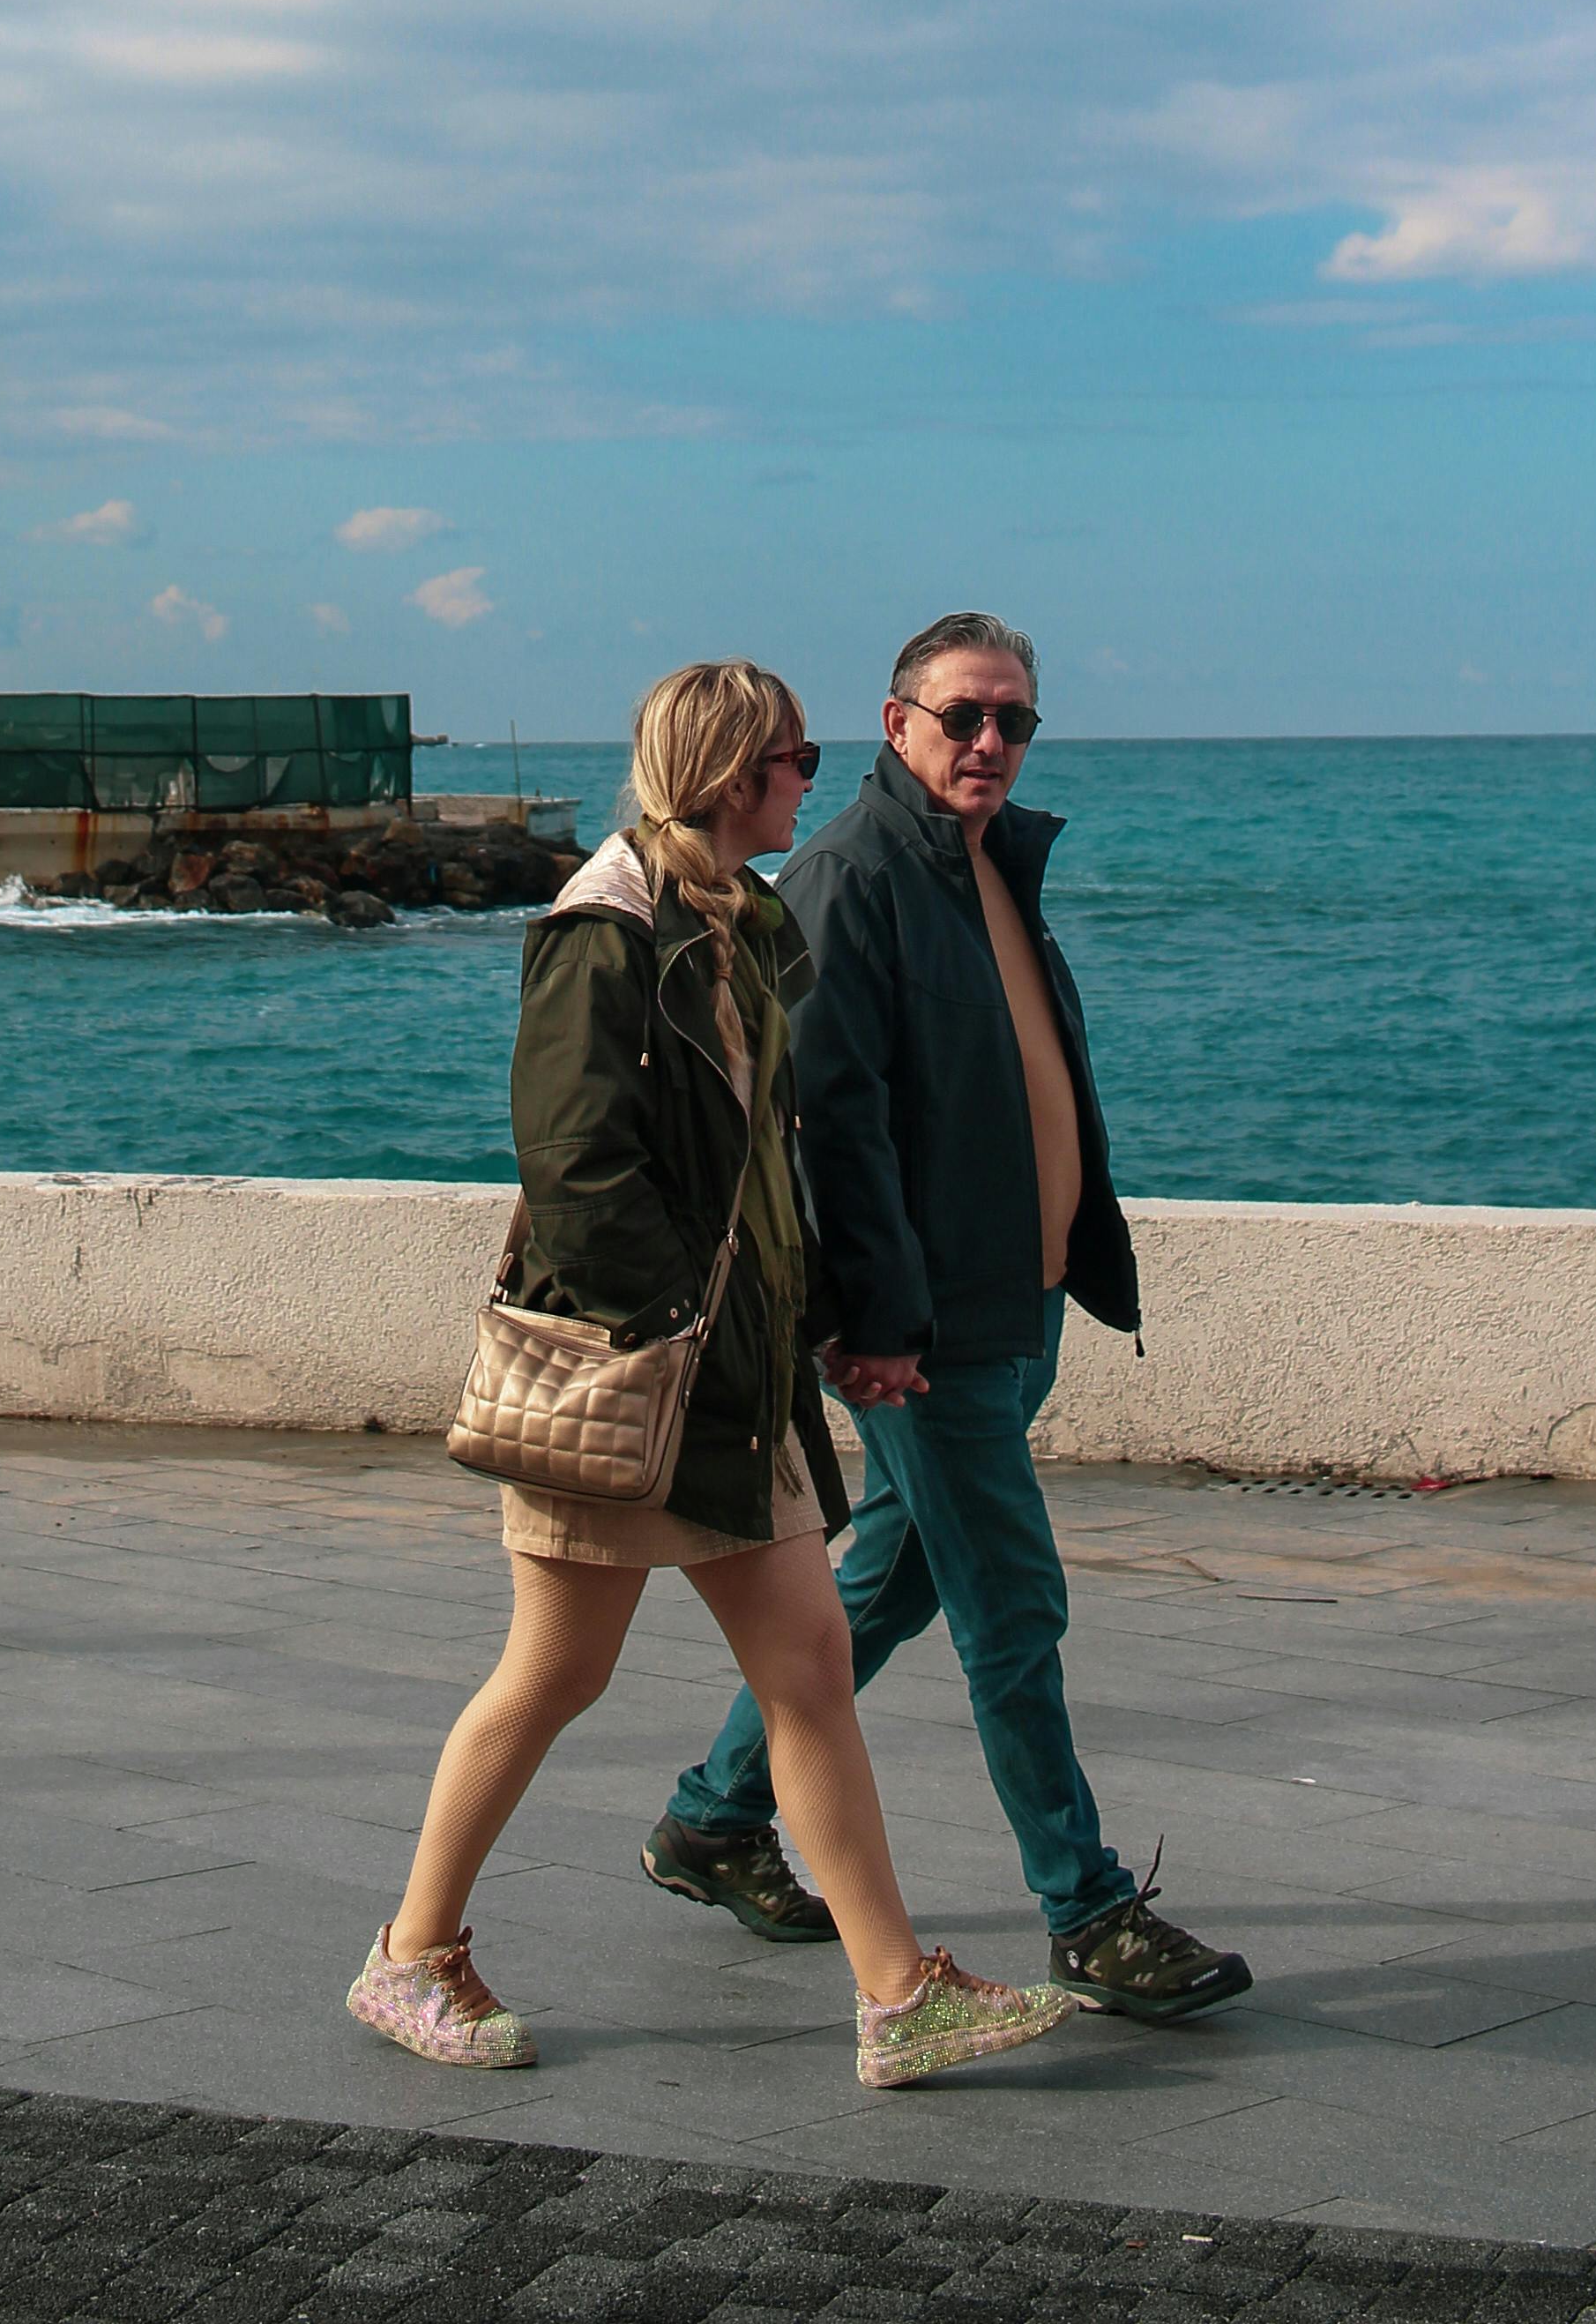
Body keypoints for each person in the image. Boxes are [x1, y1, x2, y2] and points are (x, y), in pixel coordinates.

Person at [351, 656, 1079, 2093]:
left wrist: (807, 1318)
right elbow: (575, 1175)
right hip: (638, 1385)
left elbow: (772, 1162)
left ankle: (896, 1994)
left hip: (739, 1392)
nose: (811, 777)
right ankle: (408, 1955)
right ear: (732, 771)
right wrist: (681, 1323)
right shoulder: (605, 935)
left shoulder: (742, 922)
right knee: (555, 1674)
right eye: (793, 755)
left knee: (809, 1668)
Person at [644, 615, 1254, 2022]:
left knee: (897, 1578)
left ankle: (714, 1818)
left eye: (1015, 722)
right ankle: (1089, 1911)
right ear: (896, 722)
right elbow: (828, 1124)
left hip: (1016, 1302)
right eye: (964, 717)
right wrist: (877, 1320)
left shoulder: (987, 866)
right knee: (1013, 1605)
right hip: (931, 1331)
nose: (991, 743)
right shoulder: (852, 878)